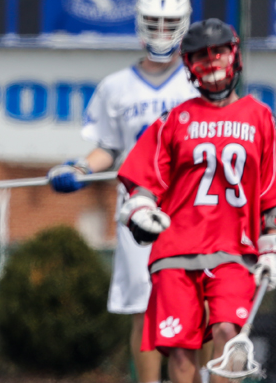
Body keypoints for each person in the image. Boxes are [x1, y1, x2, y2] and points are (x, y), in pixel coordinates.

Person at [47, 0, 197, 383]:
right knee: (146, 309)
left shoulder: (198, 83)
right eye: (154, 23)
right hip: (137, 208)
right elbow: (107, 150)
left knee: (196, 310)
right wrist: (79, 169)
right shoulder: (116, 87)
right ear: (139, 25)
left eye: (170, 23)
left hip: (194, 207)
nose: (161, 32)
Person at [116, 19, 276, 383]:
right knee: (181, 349)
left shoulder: (260, 116)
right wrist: (140, 209)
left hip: (236, 248)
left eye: (217, 51)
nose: (211, 60)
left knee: (228, 334)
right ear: (188, 64)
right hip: (177, 248)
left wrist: (271, 236)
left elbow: (271, 183)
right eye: (200, 54)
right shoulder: (174, 119)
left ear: (233, 53)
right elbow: (144, 179)